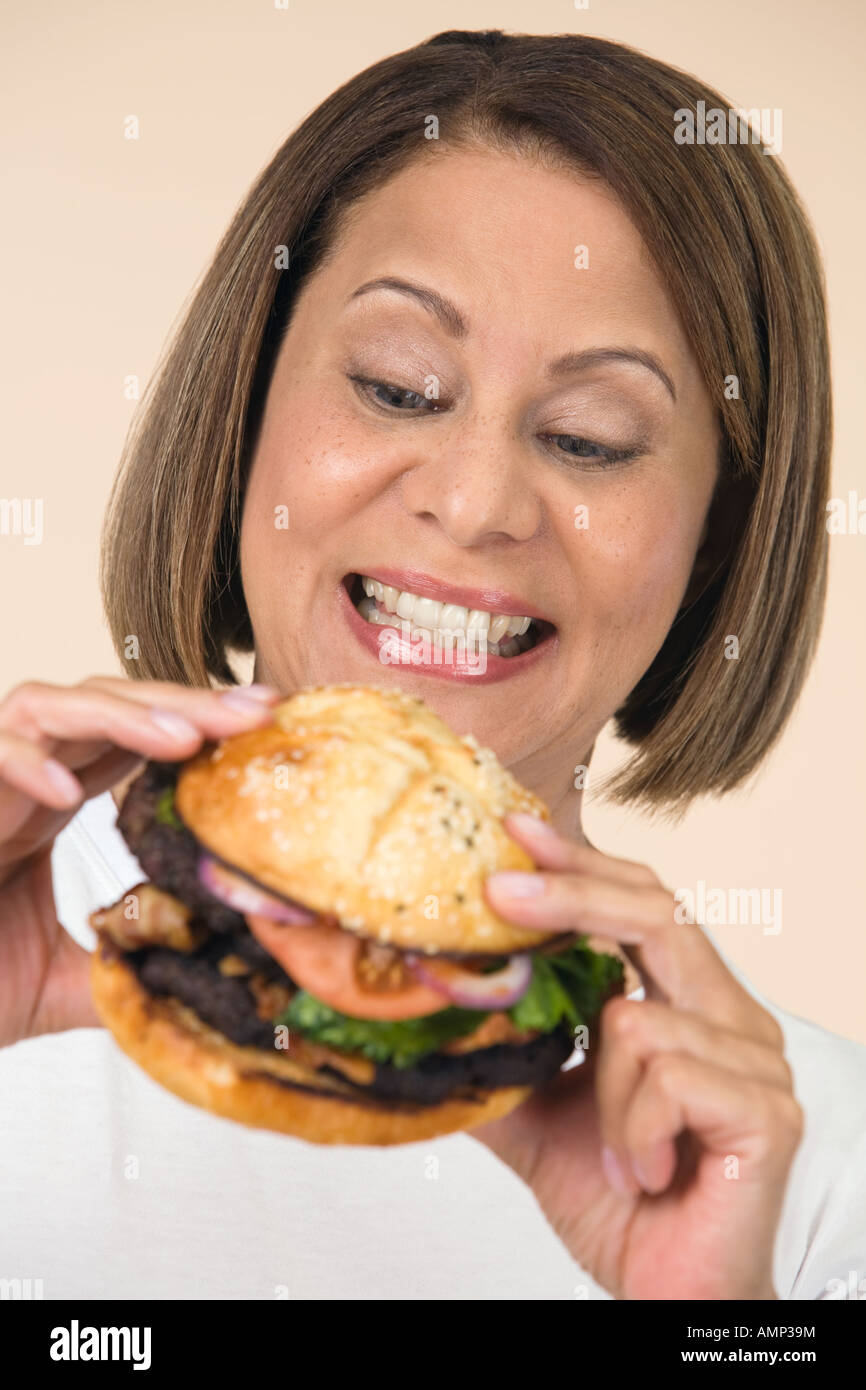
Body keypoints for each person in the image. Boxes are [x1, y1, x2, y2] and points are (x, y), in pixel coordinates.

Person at [1, 29, 863, 1301]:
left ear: (714, 541)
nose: (471, 505)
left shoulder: (803, 1174)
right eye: (398, 388)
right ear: (242, 411)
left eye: (588, 437)